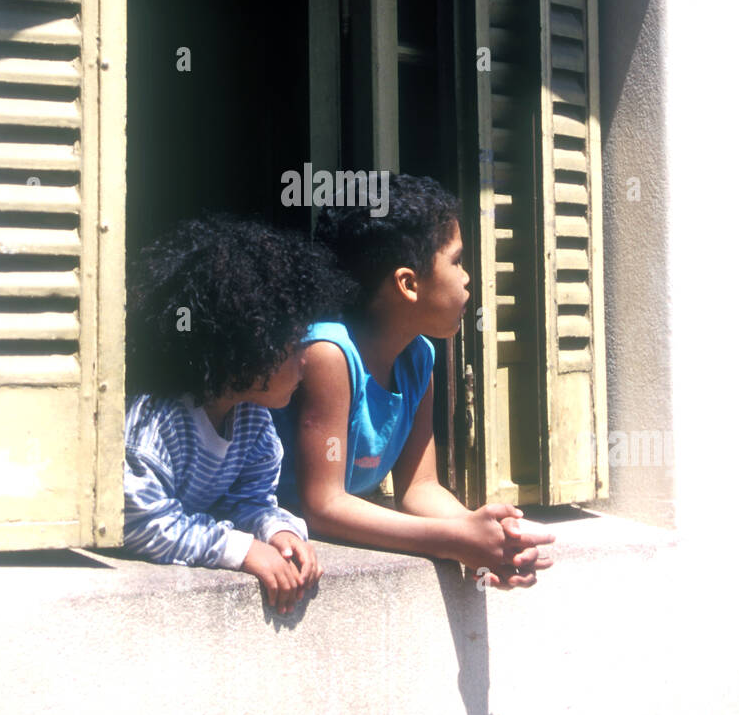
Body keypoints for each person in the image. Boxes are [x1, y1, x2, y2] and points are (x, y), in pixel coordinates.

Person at [272, 174, 555, 589]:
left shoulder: (419, 356)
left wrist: (494, 539)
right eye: (457, 261)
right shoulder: (328, 354)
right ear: (408, 283)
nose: (467, 278)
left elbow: (419, 487)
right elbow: (323, 507)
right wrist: (455, 539)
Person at [123, 215, 348, 614]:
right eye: (294, 345)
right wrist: (241, 550)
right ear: (244, 349)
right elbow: (142, 523)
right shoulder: (153, 423)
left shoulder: (254, 422)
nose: (306, 360)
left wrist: (276, 530)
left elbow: (249, 502)